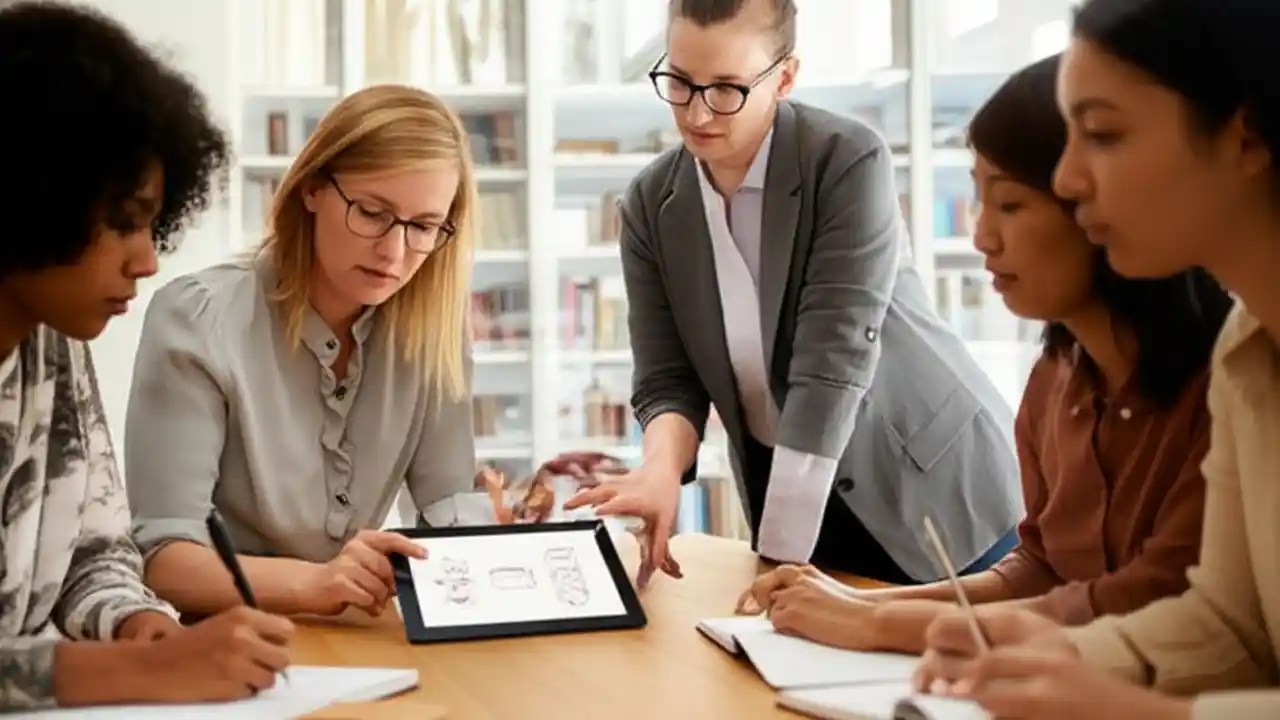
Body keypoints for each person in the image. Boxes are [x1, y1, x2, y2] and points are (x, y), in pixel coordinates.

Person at [734, 54, 1231, 656]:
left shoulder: (1224, 389)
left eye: (1011, 205)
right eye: (979, 200)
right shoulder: (1057, 380)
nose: (981, 237)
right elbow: (1041, 569)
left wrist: (875, 625)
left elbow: (1149, 604)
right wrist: (855, 602)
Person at [566, 0, 1021, 587]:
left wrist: (779, 558)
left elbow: (832, 362)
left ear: (784, 78)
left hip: (925, 482)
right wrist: (659, 471)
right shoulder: (652, 203)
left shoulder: (845, 158)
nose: (697, 111)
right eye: (679, 82)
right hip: (786, 480)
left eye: (727, 88)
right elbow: (667, 378)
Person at [915, 1, 1280, 718]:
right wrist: (1054, 653)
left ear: (1245, 134)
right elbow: (1230, 627)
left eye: (1104, 134)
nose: (1071, 180)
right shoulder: (1248, 351)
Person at [0, 1, 293, 710]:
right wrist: (131, 675)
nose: (147, 261)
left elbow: (94, 556)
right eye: (125, 223)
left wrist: (144, 630)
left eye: (154, 224)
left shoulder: (52, 342)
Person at [126, 84, 478, 619]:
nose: (394, 251)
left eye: (424, 227)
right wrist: (315, 584)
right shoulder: (197, 318)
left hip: (366, 635)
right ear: (312, 188)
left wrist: (496, 536)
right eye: (371, 212)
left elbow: (449, 517)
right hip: (230, 641)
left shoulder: (436, 327)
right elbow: (165, 560)